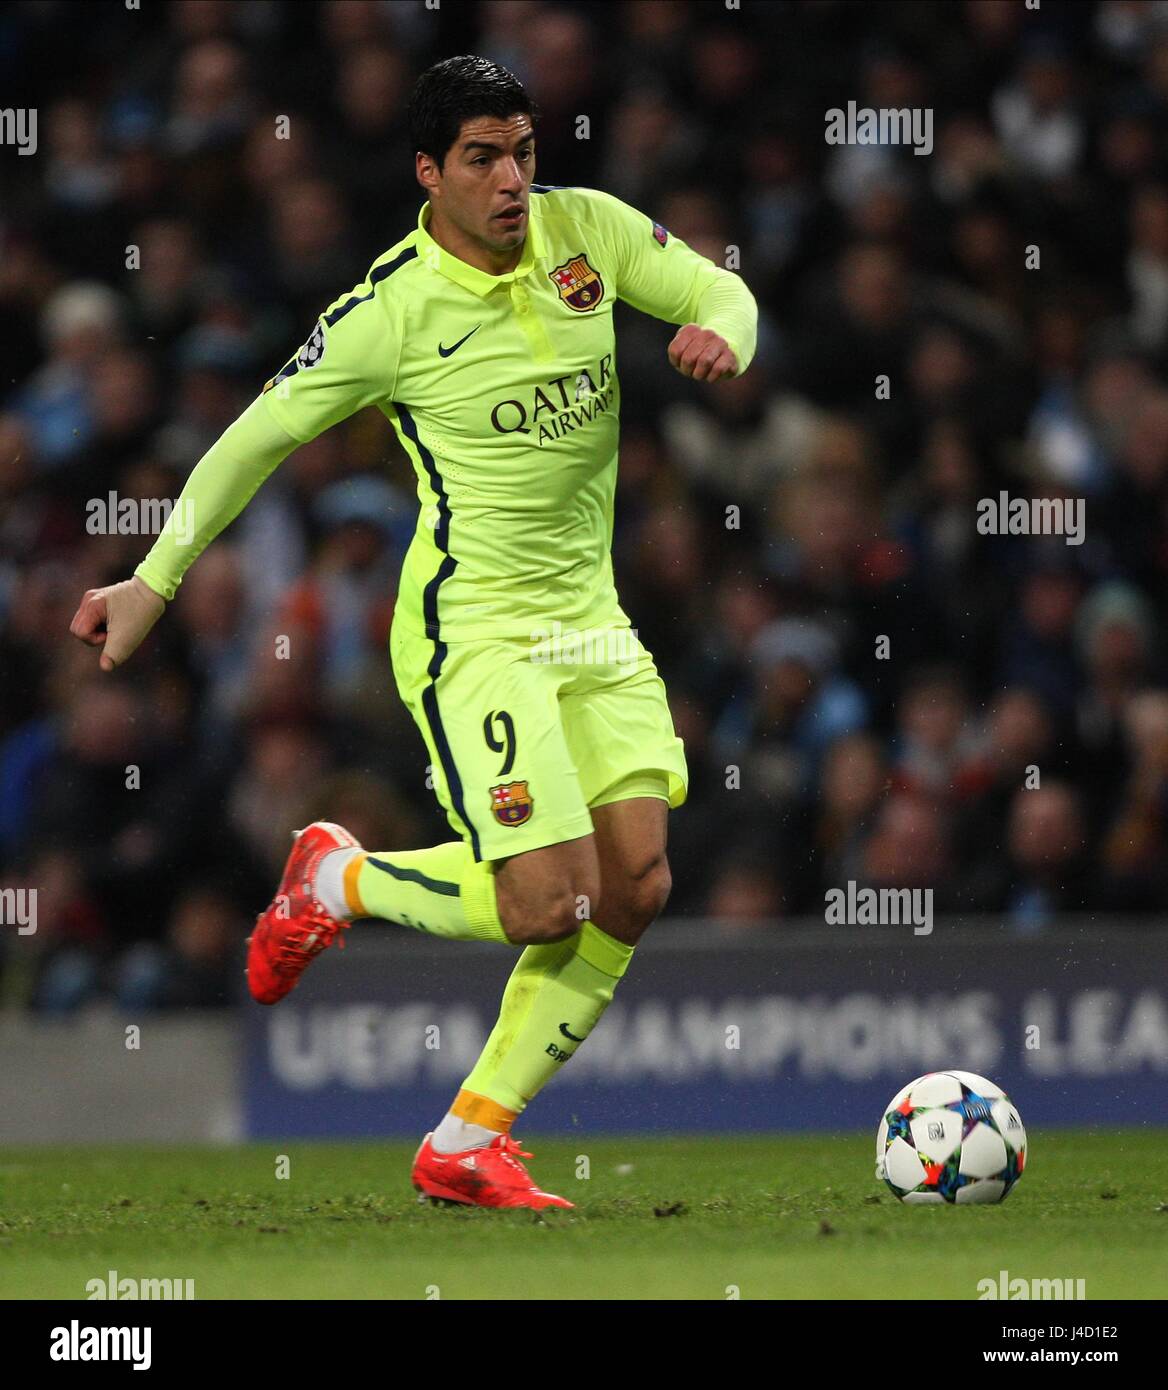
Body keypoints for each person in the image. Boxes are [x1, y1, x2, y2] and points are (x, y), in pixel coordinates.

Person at [69, 54, 758, 1210]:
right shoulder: (387, 313)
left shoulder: (585, 230)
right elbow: (252, 439)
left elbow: (717, 287)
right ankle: (336, 878)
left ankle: (464, 1140)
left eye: (524, 153)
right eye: (483, 158)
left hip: (591, 621)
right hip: (471, 632)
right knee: (550, 901)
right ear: (430, 171)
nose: (511, 181)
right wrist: (154, 578)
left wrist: (725, 334)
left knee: (632, 883)